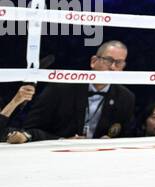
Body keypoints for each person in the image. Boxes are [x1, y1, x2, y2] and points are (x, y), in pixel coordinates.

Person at [3, 41, 135, 143]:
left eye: (119, 63)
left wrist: (110, 142)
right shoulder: (59, 89)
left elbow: (126, 135)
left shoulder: (126, 97)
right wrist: (62, 141)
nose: (112, 67)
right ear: (93, 61)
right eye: (109, 60)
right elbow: (29, 130)